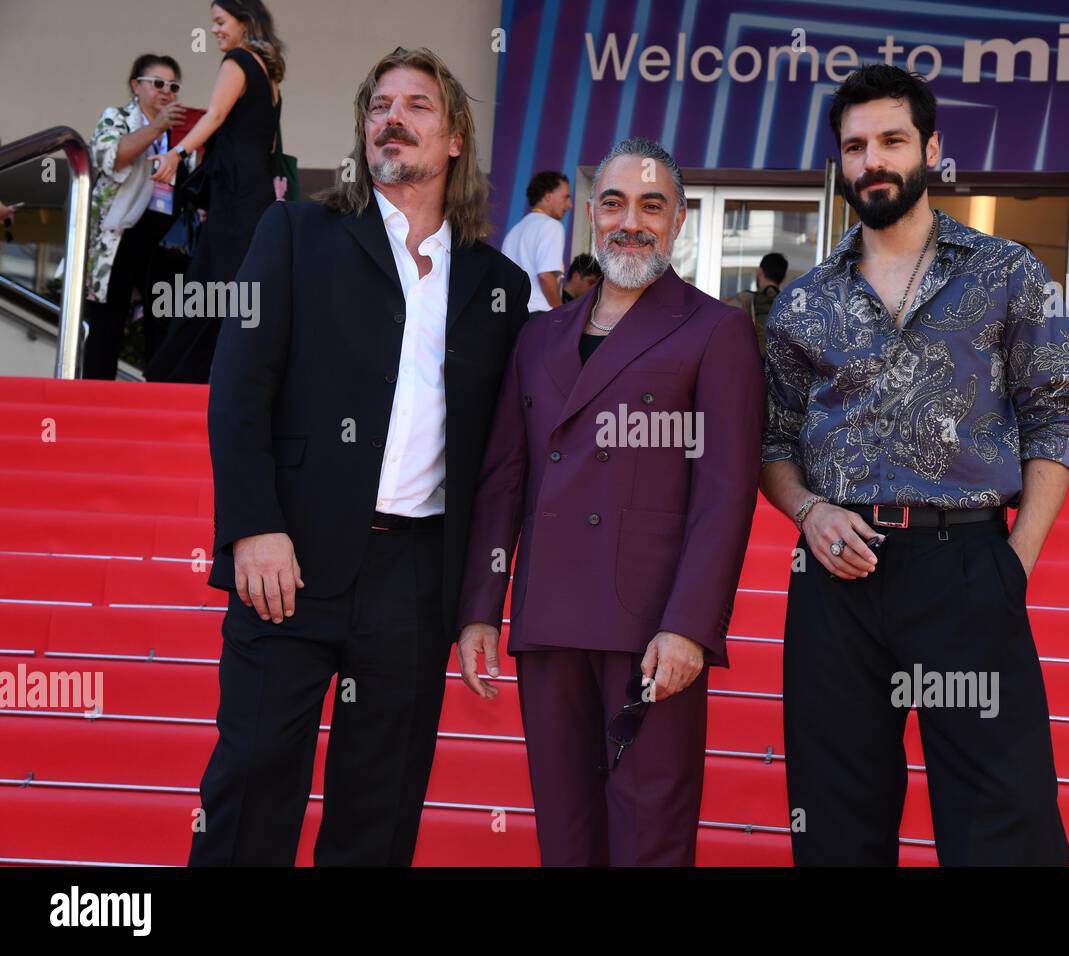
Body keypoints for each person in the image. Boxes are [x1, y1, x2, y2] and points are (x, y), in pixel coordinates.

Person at [189, 47, 531, 866]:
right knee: (252, 781)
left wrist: (481, 597)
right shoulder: (300, 231)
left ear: (454, 139)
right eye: (380, 104)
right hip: (289, 560)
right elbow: (238, 391)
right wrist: (252, 529)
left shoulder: (499, 284)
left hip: (414, 580)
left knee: (380, 809)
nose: (393, 118)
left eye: (417, 105)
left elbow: (498, 457)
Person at [762, 64, 1069, 866]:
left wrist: (1012, 565)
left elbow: (1055, 416)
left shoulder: (1008, 272)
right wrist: (810, 512)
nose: (873, 160)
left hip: (967, 571)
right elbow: (773, 445)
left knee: (1001, 826)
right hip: (836, 585)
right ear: (839, 161)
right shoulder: (802, 302)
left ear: (932, 148)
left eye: (892, 141)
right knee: (837, 823)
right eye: (855, 146)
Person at [456, 136, 765, 866]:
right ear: (591, 216)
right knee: (566, 833)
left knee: (648, 833)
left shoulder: (716, 330)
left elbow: (724, 493)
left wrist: (690, 627)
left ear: (679, 221)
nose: (632, 221)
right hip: (550, 618)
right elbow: (504, 479)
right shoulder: (539, 337)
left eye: (652, 206)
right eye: (616, 204)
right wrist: (480, 606)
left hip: (650, 627)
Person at [144, 0, 285, 383]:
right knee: (229, 285)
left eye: (221, 22)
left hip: (235, 192)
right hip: (255, 194)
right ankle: (208, 377)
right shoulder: (270, 76)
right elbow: (269, 145)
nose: (214, 30)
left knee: (212, 285)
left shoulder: (238, 61)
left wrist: (176, 152)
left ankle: (171, 379)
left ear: (245, 22)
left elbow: (215, 115)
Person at [82, 55, 188, 379]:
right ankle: (94, 402)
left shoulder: (179, 132)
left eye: (173, 86)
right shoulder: (118, 117)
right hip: (118, 237)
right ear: (136, 86)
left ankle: (159, 392)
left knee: (168, 315)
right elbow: (107, 158)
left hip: (160, 240)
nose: (166, 92)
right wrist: (156, 126)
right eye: (158, 83)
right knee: (106, 324)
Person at [500, 170, 570, 313]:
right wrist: (560, 313)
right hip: (539, 315)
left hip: (512, 316)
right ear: (548, 196)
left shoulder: (514, 232)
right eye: (566, 197)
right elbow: (545, 275)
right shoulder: (552, 226)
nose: (570, 205)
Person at [725, 251, 787, 358]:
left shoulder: (745, 298)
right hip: (779, 367)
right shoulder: (788, 303)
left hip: (752, 365)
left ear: (760, 271)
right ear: (783, 277)